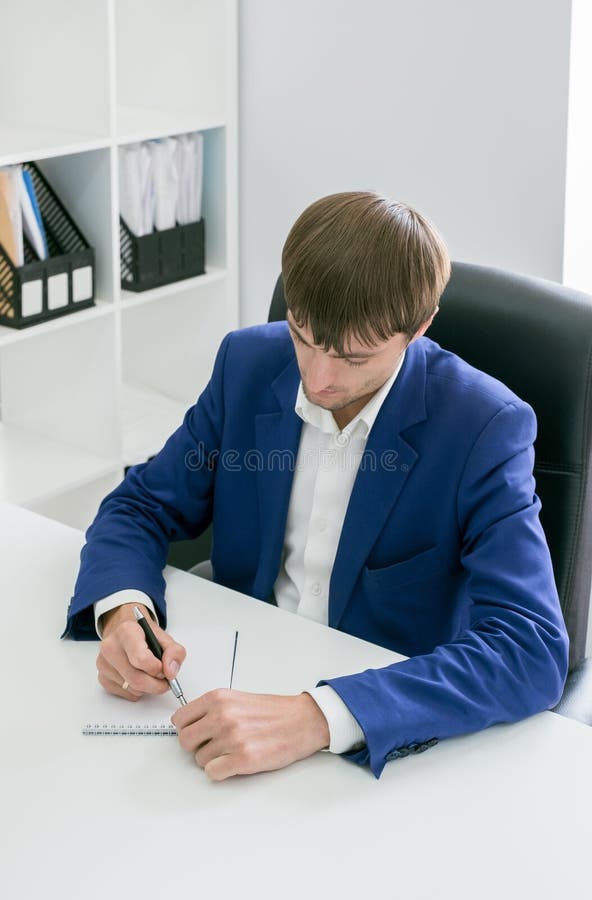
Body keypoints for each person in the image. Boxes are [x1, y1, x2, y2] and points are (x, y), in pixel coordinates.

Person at [64, 191, 569, 780]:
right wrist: (124, 612)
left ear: (419, 328)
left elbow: (530, 647)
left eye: (354, 357)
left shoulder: (485, 427)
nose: (320, 377)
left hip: (383, 730)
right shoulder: (247, 363)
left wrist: (318, 716)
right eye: (303, 336)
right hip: (234, 675)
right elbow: (142, 504)